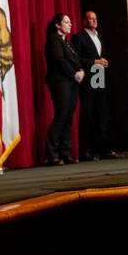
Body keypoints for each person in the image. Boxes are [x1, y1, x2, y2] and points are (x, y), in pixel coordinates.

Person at [71, 10, 116, 160]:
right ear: (84, 21)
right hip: (88, 79)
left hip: (100, 77)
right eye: (90, 19)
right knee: (88, 114)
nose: (94, 21)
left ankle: (104, 149)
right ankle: (85, 151)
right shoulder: (79, 37)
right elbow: (76, 58)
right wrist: (95, 62)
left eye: (95, 19)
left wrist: (104, 61)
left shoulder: (100, 37)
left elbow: (100, 56)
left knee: (102, 114)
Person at [43, 13, 84, 165]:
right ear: (58, 25)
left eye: (70, 22)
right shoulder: (54, 40)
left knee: (68, 118)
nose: (70, 24)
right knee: (61, 116)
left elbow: (76, 59)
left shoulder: (67, 42)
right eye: (66, 22)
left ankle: (65, 153)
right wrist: (74, 74)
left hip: (72, 82)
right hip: (60, 82)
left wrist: (81, 70)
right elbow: (59, 61)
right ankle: (51, 154)